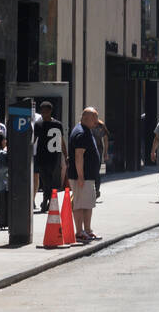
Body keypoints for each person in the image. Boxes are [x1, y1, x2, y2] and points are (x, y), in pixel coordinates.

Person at [67, 107, 102, 242]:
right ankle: (80, 232)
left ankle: (87, 230)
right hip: (82, 177)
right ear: (86, 118)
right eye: (95, 119)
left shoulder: (86, 131)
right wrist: (80, 176)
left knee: (88, 204)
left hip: (88, 176)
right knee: (80, 204)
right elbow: (78, 156)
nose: (97, 123)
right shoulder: (81, 133)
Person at [33, 102, 67, 213]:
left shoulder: (58, 124)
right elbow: (33, 140)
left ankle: (46, 201)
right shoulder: (38, 124)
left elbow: (62, 141)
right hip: (42, 157)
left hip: (54, 158)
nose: (43, 114)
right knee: (45, 181)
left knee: (52, 182)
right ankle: (45, 201)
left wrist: (65, 155)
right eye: (42, 111)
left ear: (50, 111)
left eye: (45, 111)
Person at [91, 117, 109, 201]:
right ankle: (94, 190)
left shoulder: (100, 125)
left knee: (95, 171)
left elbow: (105, 139)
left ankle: (96, 190)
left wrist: (105, 152)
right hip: (91, 149)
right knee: (93, 171)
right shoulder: (89, 124)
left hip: (97, 149)